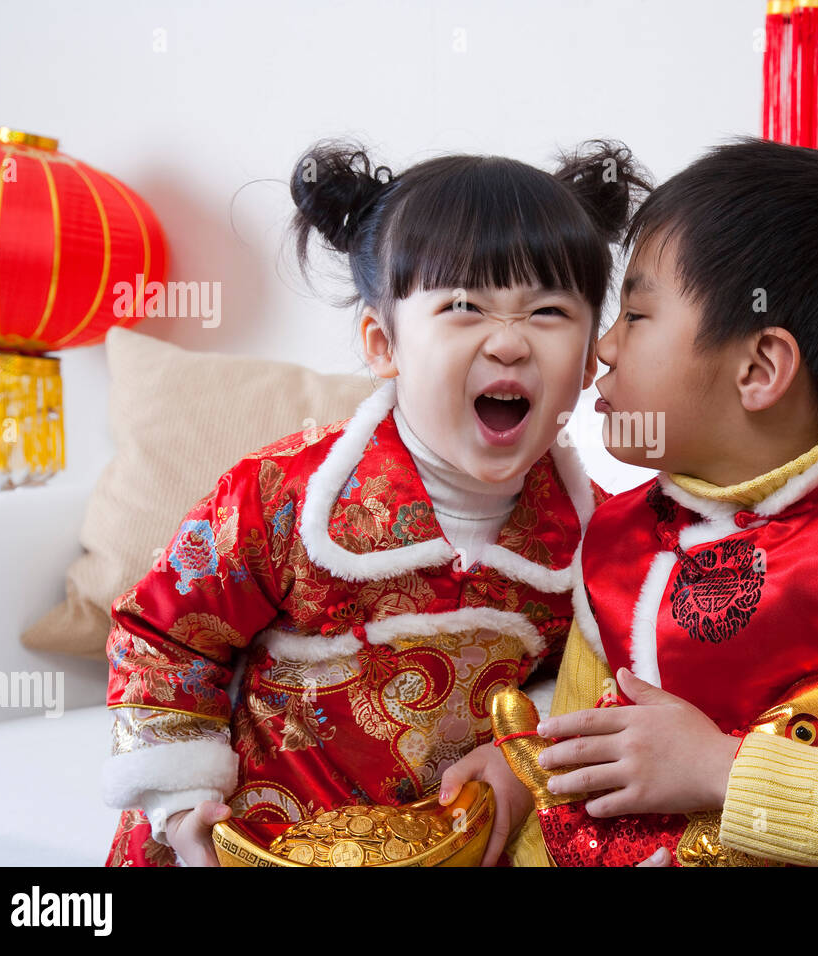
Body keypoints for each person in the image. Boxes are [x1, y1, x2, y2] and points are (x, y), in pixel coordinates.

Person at [442, 137, 818, 866]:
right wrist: (524, 785)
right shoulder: (616, 542)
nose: (603, 348)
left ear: (760, 368)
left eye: (637, 317)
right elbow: (581, 784)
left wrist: (720, 768)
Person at [101, 136, 649, 867]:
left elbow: (595, 684)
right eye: (463, 306)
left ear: (587, 362)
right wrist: (179, 803)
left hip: (446, 847)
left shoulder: (600, 538)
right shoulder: (282, 496)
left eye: (547, 312)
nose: (510, 344)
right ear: (382, 342)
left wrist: (524, 763)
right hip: (253, 840)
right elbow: (163, 638)